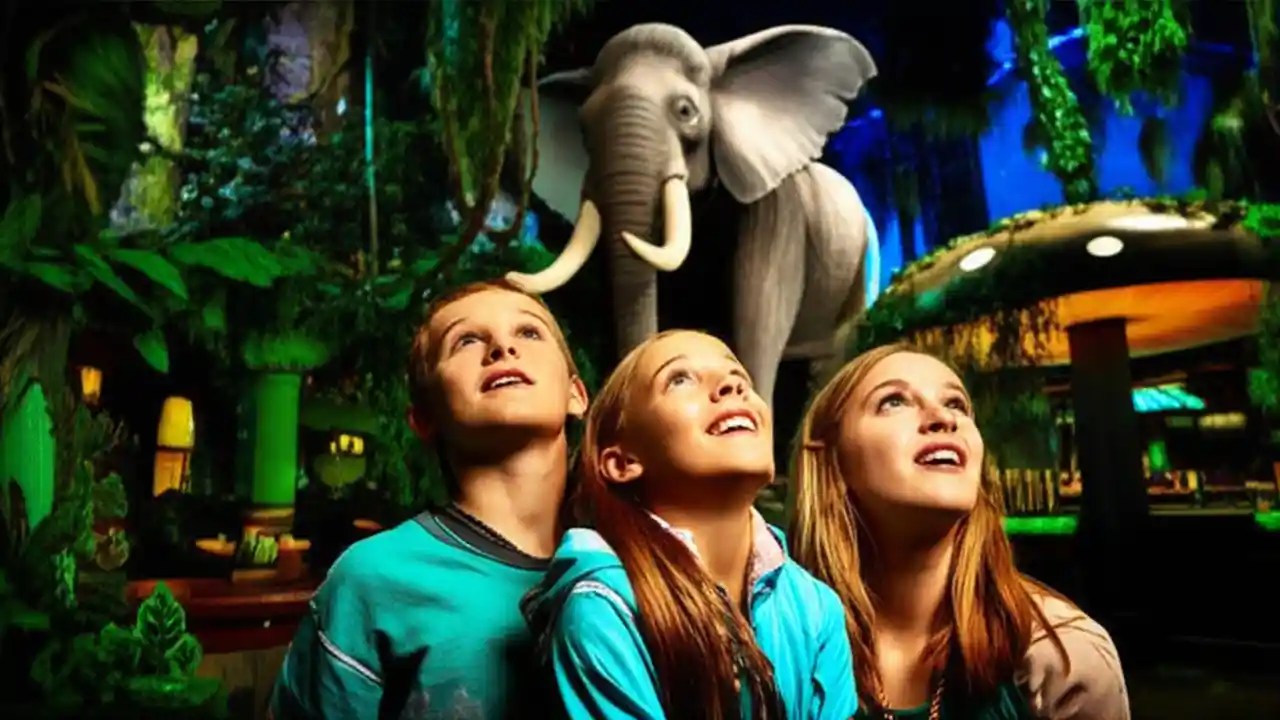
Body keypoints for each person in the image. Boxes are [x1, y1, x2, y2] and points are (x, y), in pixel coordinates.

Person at [270, 279, 589, 719]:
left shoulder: (633, 561)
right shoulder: (372, 579)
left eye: (529, 332)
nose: (501, 347)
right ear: (424, 417)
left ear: (577, 394)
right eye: (466, 340)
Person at [523, 330, 857, 720]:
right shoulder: (602, 606)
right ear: (622, 461)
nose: (732, 386)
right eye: (679, 379)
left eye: (740, 377)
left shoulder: (817, 607)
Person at [789, 344, 1130, 719]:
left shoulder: (1062, 657)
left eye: (956, 404)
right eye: (893, 401)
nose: (942, 418)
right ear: (831, 460)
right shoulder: (775, 646)